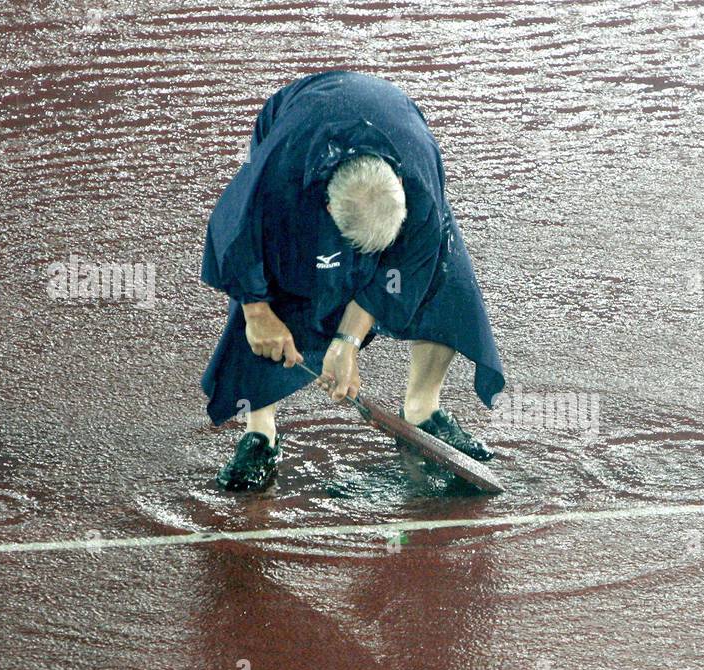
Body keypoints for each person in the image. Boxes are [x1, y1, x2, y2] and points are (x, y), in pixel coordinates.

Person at [200, 71, 505, 491]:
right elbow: (234, 239)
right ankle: (261, 431)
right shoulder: (276, 181)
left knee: (443, 278)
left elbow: (403, 270)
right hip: (299, 129)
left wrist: (346, 343)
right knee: (277, 285)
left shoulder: (420, 187)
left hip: (394, 136)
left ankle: (422, 409)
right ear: (326, 205)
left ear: (401, 187)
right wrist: (257, 313)